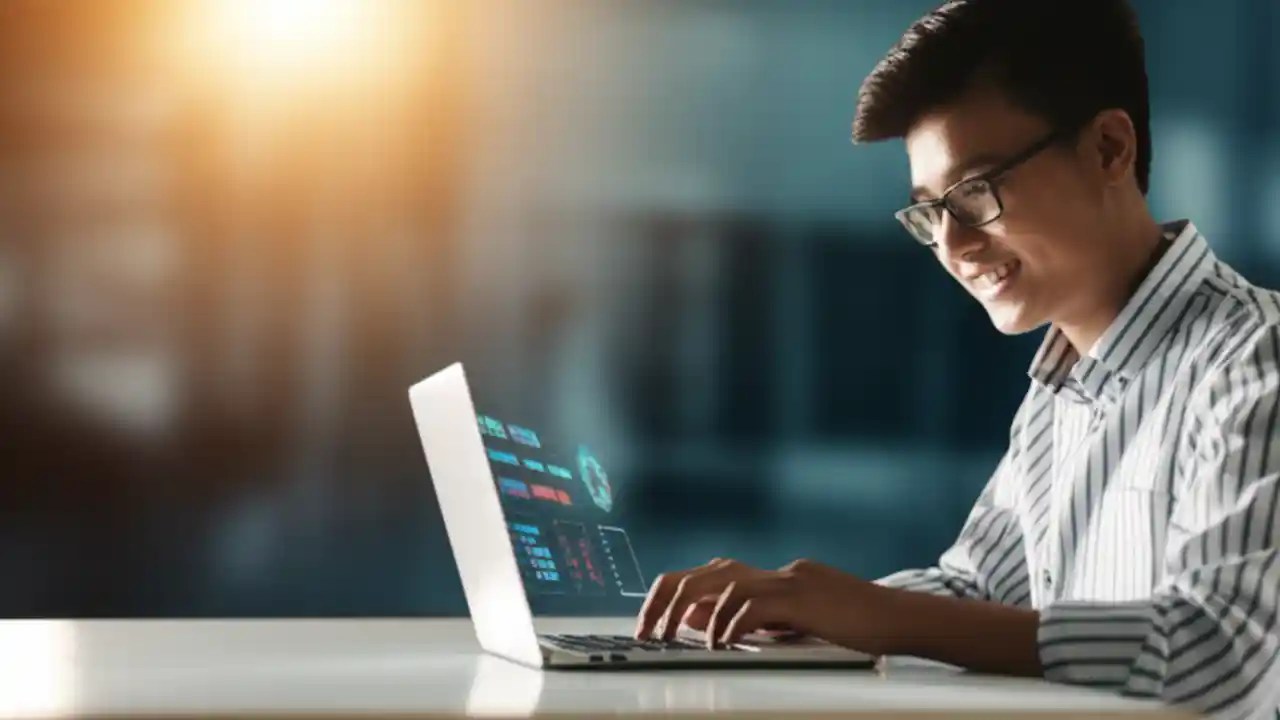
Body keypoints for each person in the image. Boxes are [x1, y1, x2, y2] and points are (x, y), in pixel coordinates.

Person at [632, 1, 1280, 717]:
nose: (954, 247)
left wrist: (872, 615)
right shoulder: (1061, 388)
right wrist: (797, 607)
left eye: (975, 193)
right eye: (929, 212)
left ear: (1108, 149)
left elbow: (1219, 653)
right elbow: (979, 591)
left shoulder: (1255, 356)